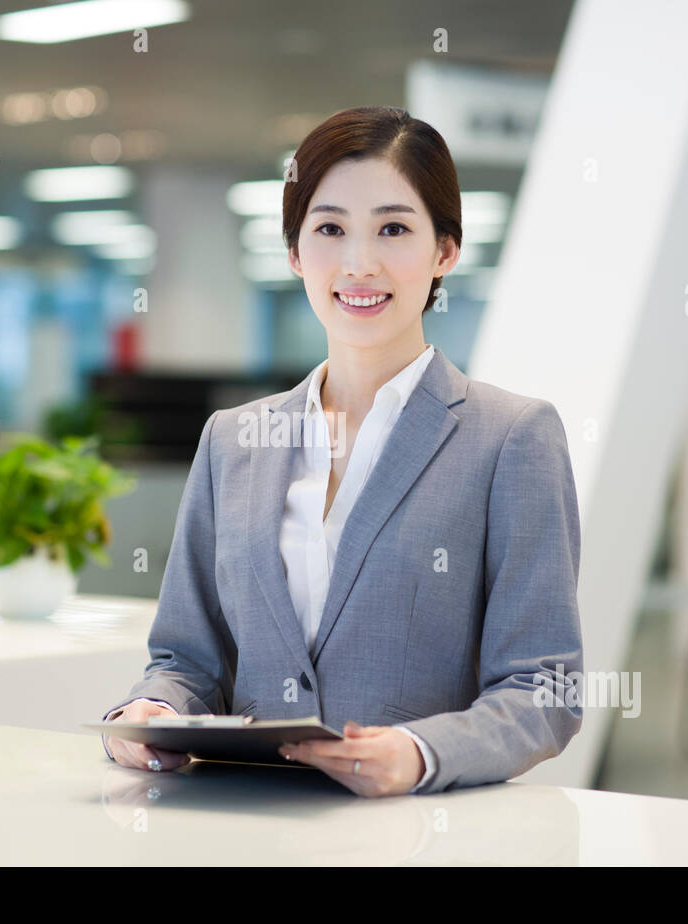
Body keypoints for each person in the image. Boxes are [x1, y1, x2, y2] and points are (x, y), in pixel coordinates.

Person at [102, 105, 583, 796]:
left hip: (420, 835)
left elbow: (546, 687)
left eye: (393, 228)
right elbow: (186, 658)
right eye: (330, 229)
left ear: (445, 250)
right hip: (245, 827)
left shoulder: (511, 438)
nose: (359, 263)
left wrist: (419, 753)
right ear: (296, 253)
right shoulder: (232, 439)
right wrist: (153, 711)